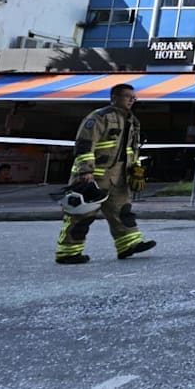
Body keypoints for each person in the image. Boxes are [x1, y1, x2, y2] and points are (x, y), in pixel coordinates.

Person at [55, 84, 155, 264]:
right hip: (93, 177)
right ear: (114, 98)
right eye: (127, 96)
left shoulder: (132, 121)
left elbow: (133, 149)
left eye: (134, 97)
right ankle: (68, 253)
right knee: (81, 216)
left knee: (122, 212)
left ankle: (129, 244)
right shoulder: (98, 118)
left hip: (120, 178)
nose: (132, 100)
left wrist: (136, 169)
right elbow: (84, 145)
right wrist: (86, 171)